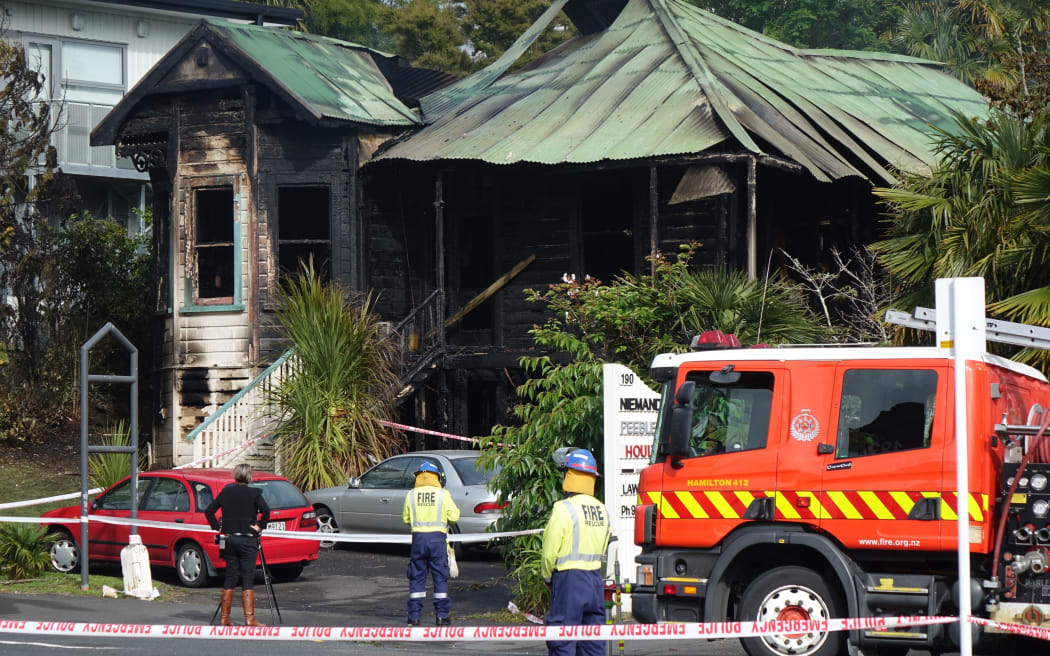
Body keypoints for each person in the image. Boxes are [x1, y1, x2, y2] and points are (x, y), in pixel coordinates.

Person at [541, 448, 611, 656]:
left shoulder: (564, 508)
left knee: (562, 640)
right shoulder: (602, 510)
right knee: (593, 642)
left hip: (568, 580)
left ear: (569, 475)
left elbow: (549, 552)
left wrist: (546, 576)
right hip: (595, 581)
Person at [205, 463, 270, 627]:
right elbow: (266, 511)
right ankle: (250, 619)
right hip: (247, 540)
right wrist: (260, 526)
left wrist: (217, 527)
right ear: (249, 476)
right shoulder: (254, 493)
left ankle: (224, 618)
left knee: (231, 576)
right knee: (247, 576)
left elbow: (209, 511)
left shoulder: (226, 492)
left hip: (230, 539)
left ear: (235, 475)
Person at [402, 461, 460, 626]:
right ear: (437, 477)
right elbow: (454, 517)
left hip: (418, 540)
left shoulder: (411, 495)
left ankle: (414, 617)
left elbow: (406, 519)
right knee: (440, 576)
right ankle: (441, 616)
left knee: (417, 576)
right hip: (437, 541)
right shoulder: (443, 494)